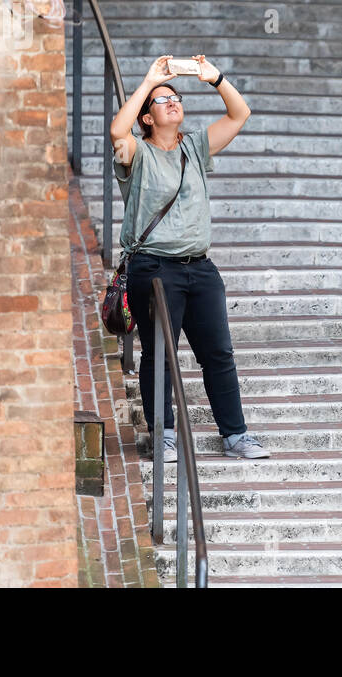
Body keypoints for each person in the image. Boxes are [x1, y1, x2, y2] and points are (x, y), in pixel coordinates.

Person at [109, 54, 269, 461]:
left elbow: (240, 112)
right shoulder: (137, 154)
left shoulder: (196, 147)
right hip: (154, 268)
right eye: (163, 101)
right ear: (147, 117)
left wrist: (214, 77)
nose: (173, 101)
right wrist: (148, 82)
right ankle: (163, 435)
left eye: (176, 96)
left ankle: (235, 435)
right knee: (159, 353)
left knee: (218, 352)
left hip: (200, 268)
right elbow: (116, 130)